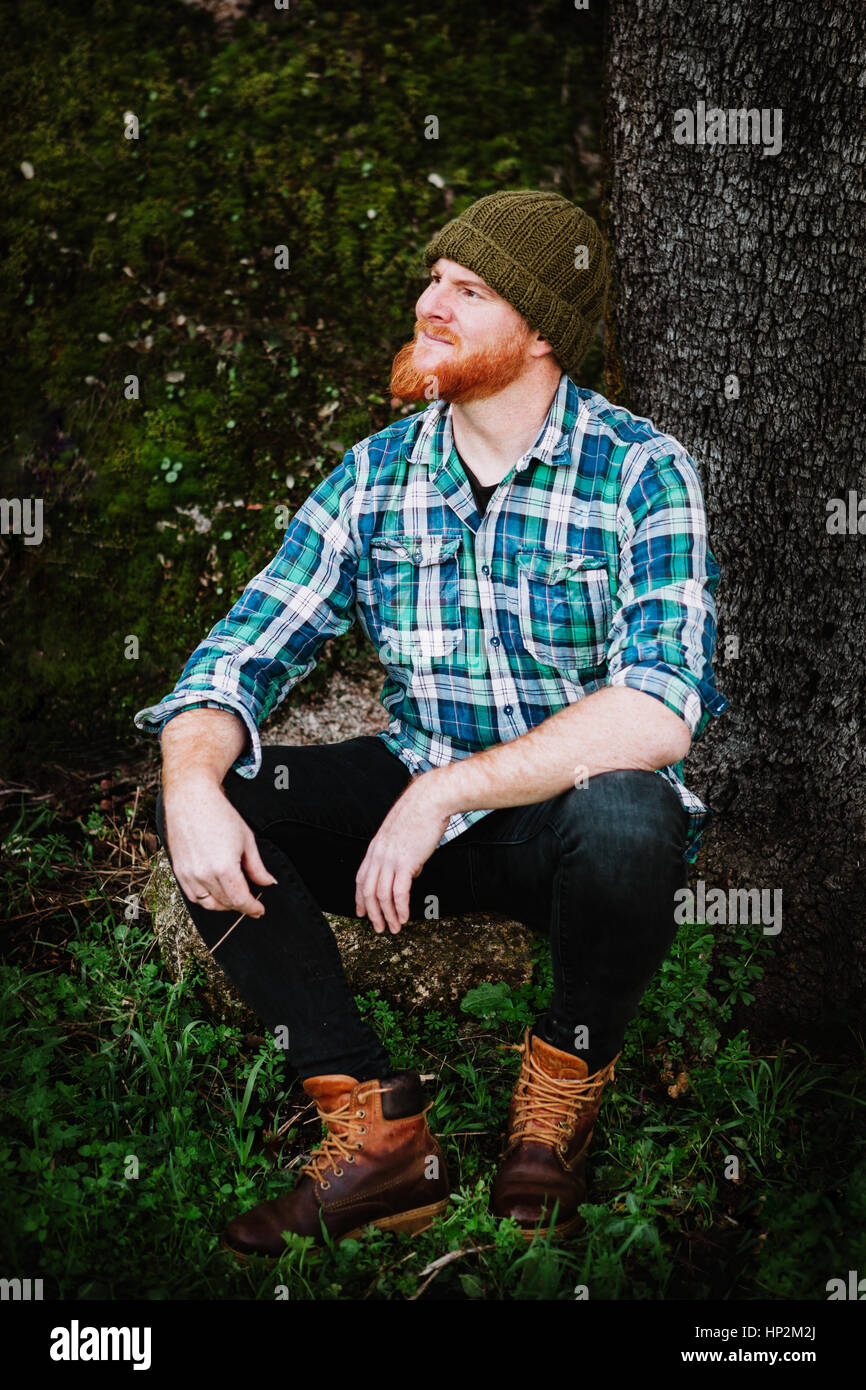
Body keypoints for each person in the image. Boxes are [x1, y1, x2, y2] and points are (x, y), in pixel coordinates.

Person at [134, 189, 729, 1255]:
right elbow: (240, 650)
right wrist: (186, 784)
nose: (430, 304)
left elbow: (657, 707)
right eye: (432, 281)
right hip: (413, 808)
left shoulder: (640, 470)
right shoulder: (377, 473)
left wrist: (445, 790)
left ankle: (554, 1104)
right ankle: (375, 1134)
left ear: (543, 331)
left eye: (470, 290)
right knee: (213, 787)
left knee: (632, 812)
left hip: (563, 832)